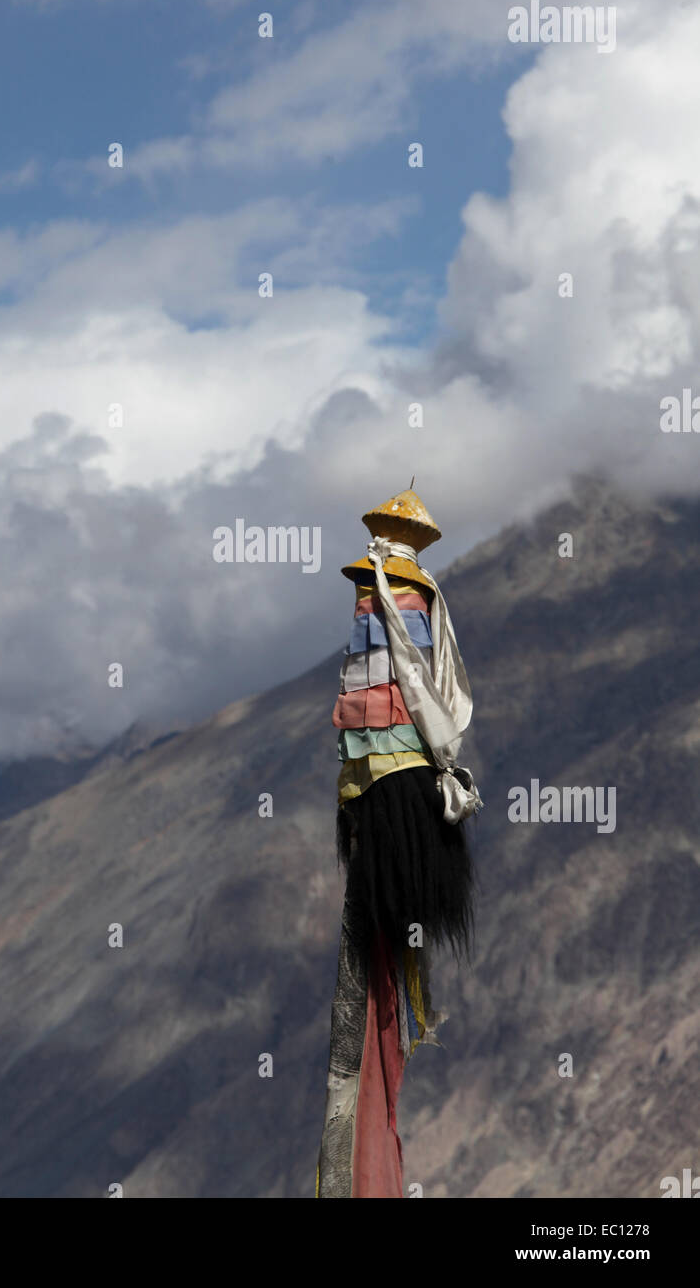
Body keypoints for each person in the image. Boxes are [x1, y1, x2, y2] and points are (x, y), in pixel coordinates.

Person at [316, 483, 482, 1199]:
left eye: (370, 592)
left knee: (373, 982)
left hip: (390, 803)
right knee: (376, 974)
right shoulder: (400, 621)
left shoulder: (401, 615)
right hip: (386, 800)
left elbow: (404, 691)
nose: (364, 605)